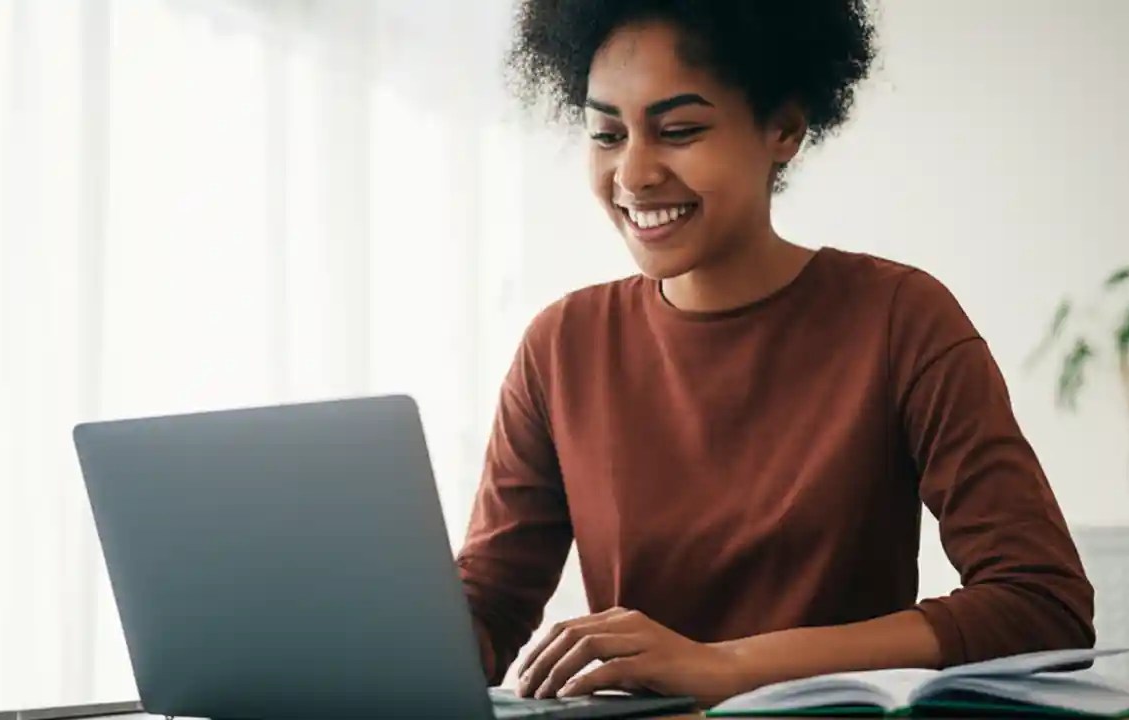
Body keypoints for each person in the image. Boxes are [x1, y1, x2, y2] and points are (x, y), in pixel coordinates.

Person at [455, 0, 1095, 708]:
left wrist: (731, 665)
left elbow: (1043, 605)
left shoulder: (900, 319)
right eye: (606, 134)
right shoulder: (561, 346)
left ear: (784, 128)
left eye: (680, 130)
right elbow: (487, 608)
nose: (632, 174)